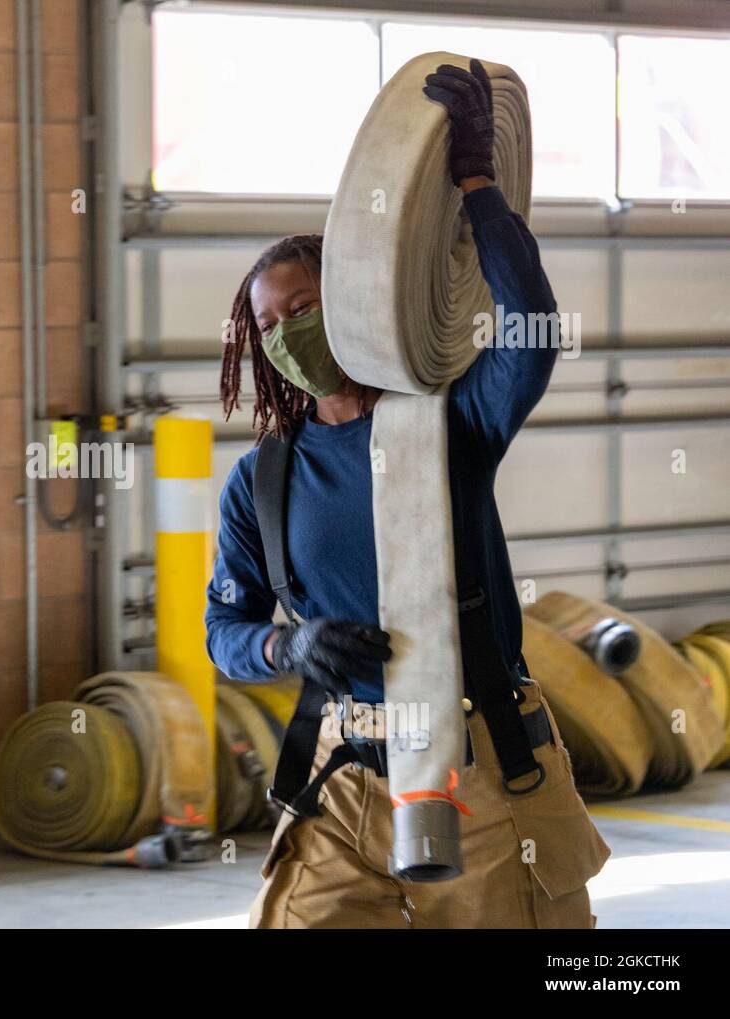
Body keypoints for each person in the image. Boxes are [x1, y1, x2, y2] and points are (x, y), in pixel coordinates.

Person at [205, 59, 610, 929]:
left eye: (302, 307)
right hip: (340, 779)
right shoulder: (262, 479)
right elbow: (224, 632)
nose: (283, 335)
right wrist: (288, 647)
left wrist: (475, 186)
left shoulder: (448, 425)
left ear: (350, 299)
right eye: (266, 324)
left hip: (482, 767)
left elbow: (531, 333)